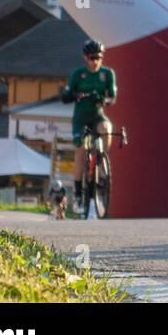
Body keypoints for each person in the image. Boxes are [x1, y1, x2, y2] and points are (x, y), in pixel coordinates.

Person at [61, 39, 117, 208]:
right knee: (80, 151)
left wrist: (105, 100)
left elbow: (112, 96)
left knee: (106, 128)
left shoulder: (107, 74)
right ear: (86, 58)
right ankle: (78, 193)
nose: (95, 62)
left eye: (98, 58)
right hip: (81, 117)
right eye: (92, 58)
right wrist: (71, 95)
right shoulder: (78, 74)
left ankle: (100, 160)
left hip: (97, 115)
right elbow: (68, 93)